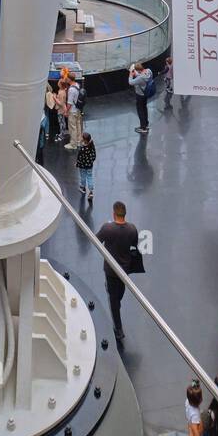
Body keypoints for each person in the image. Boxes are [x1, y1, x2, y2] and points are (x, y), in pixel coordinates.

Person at [96, 201, 138, 342]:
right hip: (125, 270)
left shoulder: (108, 228)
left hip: (111, 271)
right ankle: (117, 318)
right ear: (124, 214)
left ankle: (118, 330)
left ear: (114, 213)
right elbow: (134, 244)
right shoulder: (132, 229)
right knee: (118, 295)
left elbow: (96, 239)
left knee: (113, 300)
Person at [129, 62, 154, 132]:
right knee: (144, 108)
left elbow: (130, 82)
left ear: (138, 70)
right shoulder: (149, 71)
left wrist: (131, 74)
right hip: (146, 93)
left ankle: (143, 128)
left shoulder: (141, 78)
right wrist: (137, 73)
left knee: (140, 110)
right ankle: (146, 123)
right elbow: (143, 75)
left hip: (140, 95)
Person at [76, 130, 96, 203]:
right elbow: (94, 156)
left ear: (84, 140)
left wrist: (77, 164)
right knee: (90, 177)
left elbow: (80, 158)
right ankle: (91, 191)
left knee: (83, 176)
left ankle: (83, 188)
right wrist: (90, 161)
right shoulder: (92, 146)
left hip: (82, 166)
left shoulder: (82, 148)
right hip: (90, 166)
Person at [64, 75, 83, 151]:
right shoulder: (77, 85)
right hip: (78, 109)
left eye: (66, 78)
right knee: (78, 125)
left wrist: (66, 111)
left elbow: (69, 103)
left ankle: (73, 144)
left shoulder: (71, 89)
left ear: (69, 79)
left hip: (72, 111)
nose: (65, 79)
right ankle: (79, 141)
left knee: (72, 127)